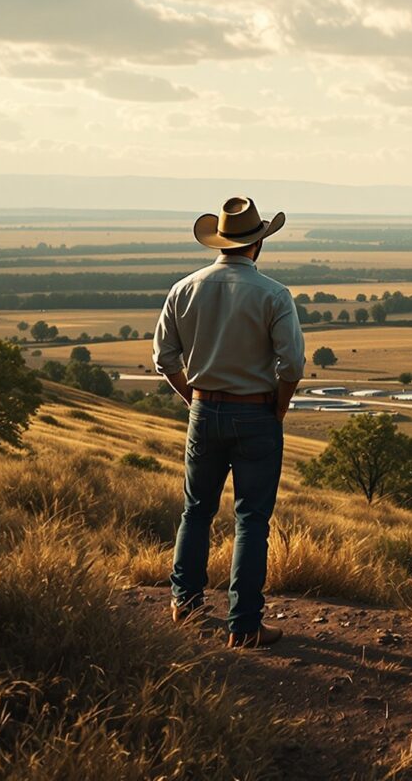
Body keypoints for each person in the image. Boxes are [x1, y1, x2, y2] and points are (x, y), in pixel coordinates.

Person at [155, 196, 304, 648]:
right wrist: (278, 408)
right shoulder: (274, 294)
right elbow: (292, 365)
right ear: (258, 244)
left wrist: (194, 398)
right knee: (251, 520)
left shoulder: (184, 289)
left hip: (204, 412)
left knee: (196, 510)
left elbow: (164, 359)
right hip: (256, 413)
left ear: (220, 243)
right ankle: (244, 626)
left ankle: (185, 604)